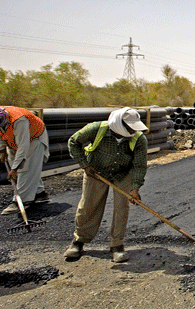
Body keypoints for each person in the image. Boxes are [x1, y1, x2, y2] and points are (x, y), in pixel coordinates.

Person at [64, 107, 149, 263]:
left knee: (122, 208)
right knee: (88, 205)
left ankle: (117, 245)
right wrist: (84, 165)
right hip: (96, 172)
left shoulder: (139, 139)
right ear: (119, 124)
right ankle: (79, 241)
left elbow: (139, 165)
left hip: (122, 173)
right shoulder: (96, 129)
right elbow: (73, 142)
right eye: (129, 127)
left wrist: (134, 188)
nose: (132, 130)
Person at [0, 106, 50, 214]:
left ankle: (21, 201)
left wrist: (14, 169)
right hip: (11, 139)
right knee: (20, 166)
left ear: (4, 118)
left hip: (33, 138)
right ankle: (39, 193)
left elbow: (23, 147)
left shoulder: (19, 120)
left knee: (25, 167)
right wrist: (2, 150)